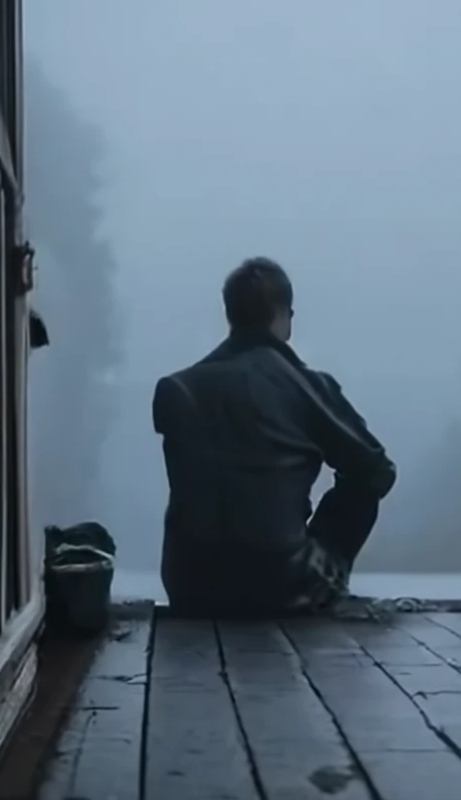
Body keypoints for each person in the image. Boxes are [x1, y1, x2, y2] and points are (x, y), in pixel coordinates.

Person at [152, 257, 396, 616]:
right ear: (284, 316)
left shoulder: (176, 389)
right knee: (365, 484)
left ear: (229, 314)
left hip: (190, 587)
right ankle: (321, 582)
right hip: (283, 585)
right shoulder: (308, 387)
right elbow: (376, 470)